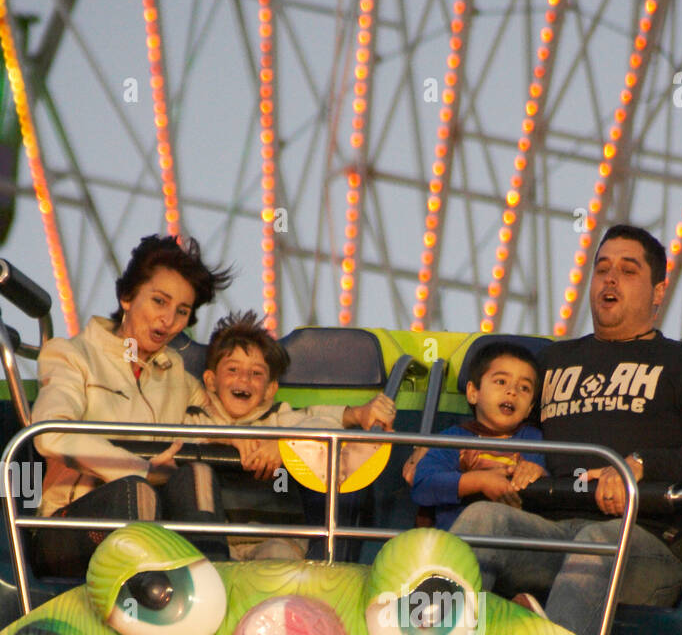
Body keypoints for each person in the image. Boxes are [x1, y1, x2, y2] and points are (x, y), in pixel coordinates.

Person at [450, 226, 682, 635]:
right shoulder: (552, 361)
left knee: (596, 545)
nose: (610, 279)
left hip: (643, 540)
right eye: (602, 269)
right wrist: (502, 461)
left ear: (658, 291)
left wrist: (637, 467)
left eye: (628, 271)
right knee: (480, 520)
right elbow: (509, 429)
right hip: (551, 528)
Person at [30, 233, 232, 576]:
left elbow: (225, 423)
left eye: (181, 311)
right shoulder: (73, 355)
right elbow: (50, 434)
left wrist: (266, 444)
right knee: (137, 494)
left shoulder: (176, 374)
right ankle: (147, 604)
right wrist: (144, 470)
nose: (168, 320)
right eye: (159, 301)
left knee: (196, 475)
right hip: (69, 527)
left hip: (156, 524)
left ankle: (214, 587)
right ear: (127, 297)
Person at [188, 310, 397, 558]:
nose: (244, 379)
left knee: (277, 558)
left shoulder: (279, 419)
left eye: (256, 374)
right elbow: (178, 439)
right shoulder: (197, 417)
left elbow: (319, 424)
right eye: (232, 370)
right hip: (219, 543)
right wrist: (228, 438)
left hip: (277, 539)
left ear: (269, 389)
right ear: (211, 381)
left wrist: (285, 445)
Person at [410, 342, 546, 530]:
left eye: (524, 388)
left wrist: (538, 473)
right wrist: (480, 481)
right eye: (501, 382)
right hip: (456, 544)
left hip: (512, 541)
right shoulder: (454, 440)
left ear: (529, 408)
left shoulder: (534, 441)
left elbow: (549, 492)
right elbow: (423, 485)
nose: (512, 391)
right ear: (473, 393)